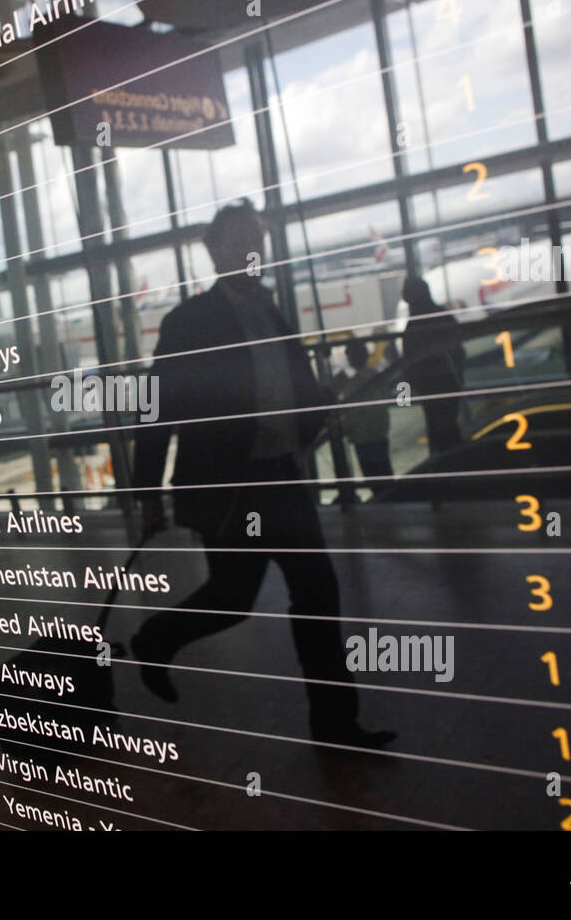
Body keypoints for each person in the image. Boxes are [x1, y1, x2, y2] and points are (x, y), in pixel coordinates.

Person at [130, 201, 394, 749]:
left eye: (259, 240)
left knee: (316, 591)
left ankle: (336, 724)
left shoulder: (272, 312)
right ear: (216, 251)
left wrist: (310, 412)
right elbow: (155, 411)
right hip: (232, 487)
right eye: (241, 241)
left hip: (280, 477)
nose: (254, 250)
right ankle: (156, 637)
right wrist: (148, 493)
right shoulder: (189, 322)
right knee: (233, 597)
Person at [400, 276, 464, 460]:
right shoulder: (443, 316)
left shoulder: (414, 326)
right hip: (448, 383)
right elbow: (459, 350)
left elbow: (409, 361)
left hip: (431, 386)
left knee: (438, 429)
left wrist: (411, 386)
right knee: (448, 427)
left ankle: (445, 464)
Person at [334, 341, 394, 494]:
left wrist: (344, 429)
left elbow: (353, 413)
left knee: (373, 477)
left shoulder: (353, 386)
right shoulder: (376, 377)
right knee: (385, 474)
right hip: (379, 433)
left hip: (363, 437)